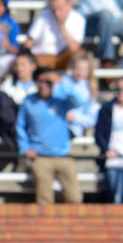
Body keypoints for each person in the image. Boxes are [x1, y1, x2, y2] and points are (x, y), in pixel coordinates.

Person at [17, 66, 83, 205]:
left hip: (63, 156)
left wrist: (61, 81)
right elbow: (20, 126)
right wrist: (25, 148)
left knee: (75, 197)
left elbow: (79, 100)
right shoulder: (29, 101)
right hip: (40, 157)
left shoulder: (61, 100)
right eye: (41, 81)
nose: (44, 85)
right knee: (45, 200)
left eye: (48, 82)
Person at [24, 0, 85, 71]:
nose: (56, 13)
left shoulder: (78, 19)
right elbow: (29, 42)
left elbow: (74, 48)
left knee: (80, 55)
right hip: (42, 56)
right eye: (54, 10)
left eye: (60, 9)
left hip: (63, 58)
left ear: (69, 5)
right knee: (27, 61)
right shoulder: (44, 16)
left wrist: (62, 27)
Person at [0, 48, 37, 153]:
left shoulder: (41, 87)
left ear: (33, 66)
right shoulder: (7, 88)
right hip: (14, 135)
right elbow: (7, 117)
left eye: (23, 65)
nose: (19, 68)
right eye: (17, 65)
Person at [57, 52, 99, 138]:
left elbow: (92, 120)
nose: (79, 72)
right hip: (55, 123)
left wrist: (75, 118)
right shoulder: (63, 82)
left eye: (83, 69)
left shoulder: (90, 89)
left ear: (89, 71)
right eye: (77, 68)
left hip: (71, 128)